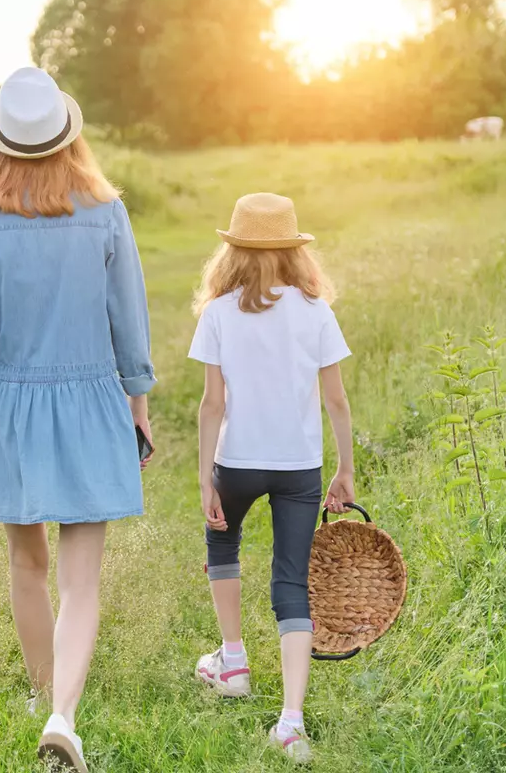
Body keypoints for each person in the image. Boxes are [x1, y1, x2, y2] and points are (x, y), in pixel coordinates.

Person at [0, 67, 156, 773]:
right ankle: (65, 712)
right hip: (92, 401)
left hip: (9, 408)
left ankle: (44, 698)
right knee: (81, 580)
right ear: (68, 137)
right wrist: (139, 405)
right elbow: (129, 318)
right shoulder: (106, 211)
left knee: (25, 564)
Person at [188, 192, 355, 764]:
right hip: (299, 467)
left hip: (237, 459)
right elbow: (336, 400)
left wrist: (205, 477)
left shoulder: (217, 313)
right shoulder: (316, 312)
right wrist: (345, 467)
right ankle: (290, 723)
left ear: (232, 251)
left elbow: (212, 406)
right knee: (291, 583)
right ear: (294, 252)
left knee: (222, 540)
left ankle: (232, 661)